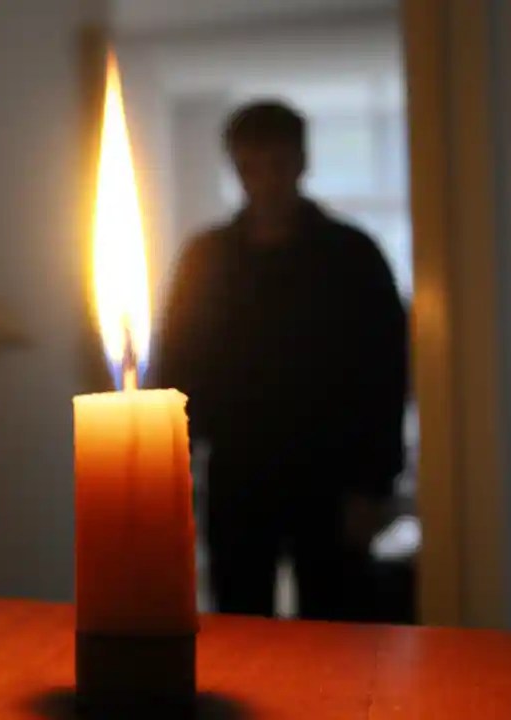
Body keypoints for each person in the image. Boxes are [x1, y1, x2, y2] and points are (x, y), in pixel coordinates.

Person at [148, 101, 407, 621]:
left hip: (331, 472)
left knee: (337, 622)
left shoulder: (351, 255)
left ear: (301, 162)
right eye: (251, 167)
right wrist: (167, 466)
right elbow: (178, 359)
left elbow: (385, 372)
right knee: (240, 617)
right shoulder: (207, 258)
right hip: (239, 468)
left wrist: (373, 484)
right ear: (236, 168)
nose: (265, 181)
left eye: (278, 164)